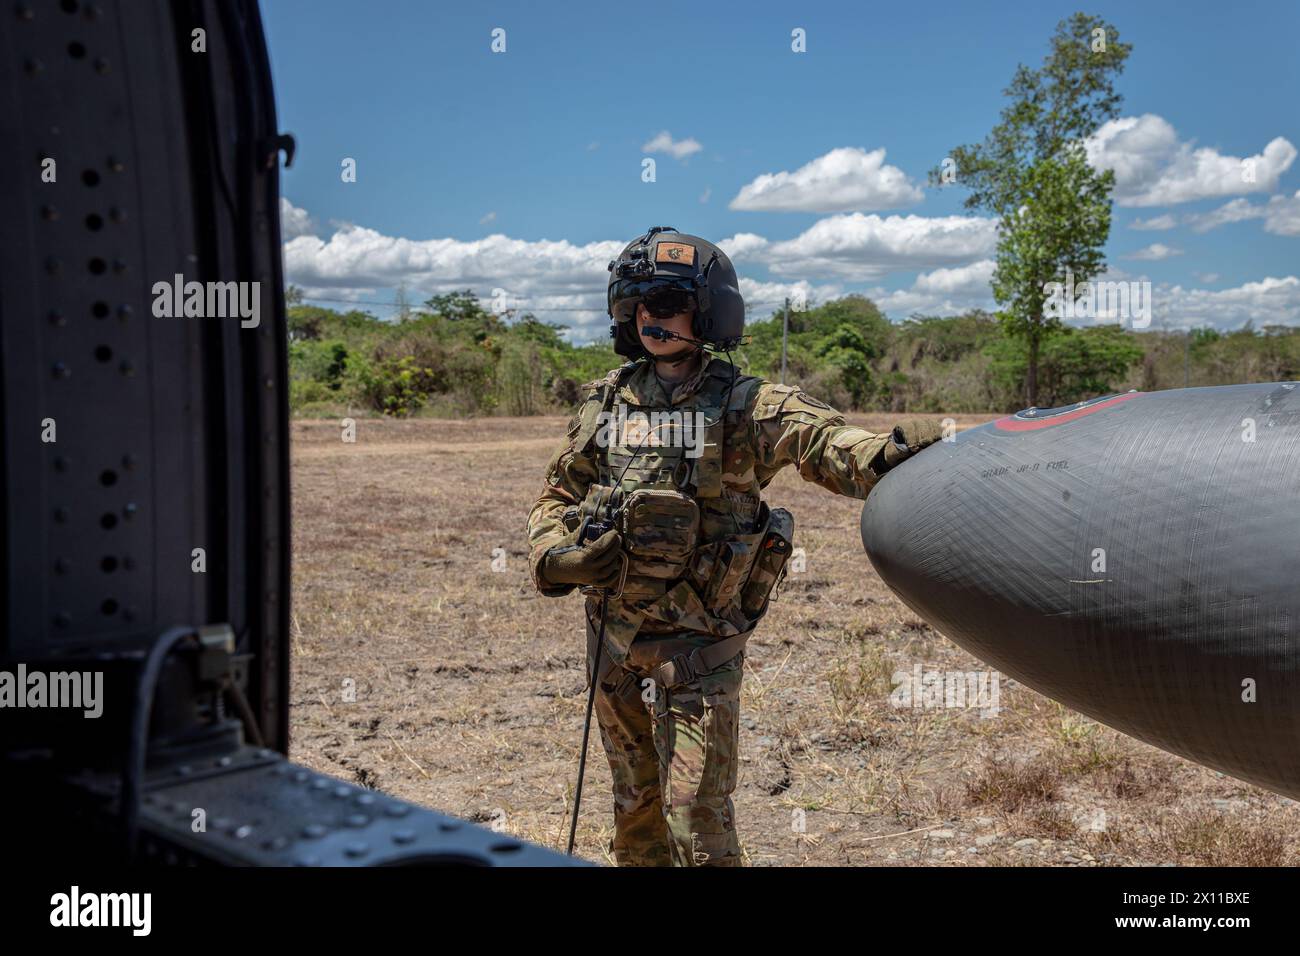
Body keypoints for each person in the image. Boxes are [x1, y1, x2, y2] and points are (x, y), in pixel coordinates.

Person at [525, 226, 940, 866]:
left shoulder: (747, 406)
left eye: (667, 303)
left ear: (709, 311)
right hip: (613, 644)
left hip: (699, 649)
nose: (651, 319)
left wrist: (887, 454)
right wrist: (558, 559)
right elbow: (555, 498)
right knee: (636, 816)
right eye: (639, 305)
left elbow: (826, 445)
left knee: (696, 821)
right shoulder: (606, 403)